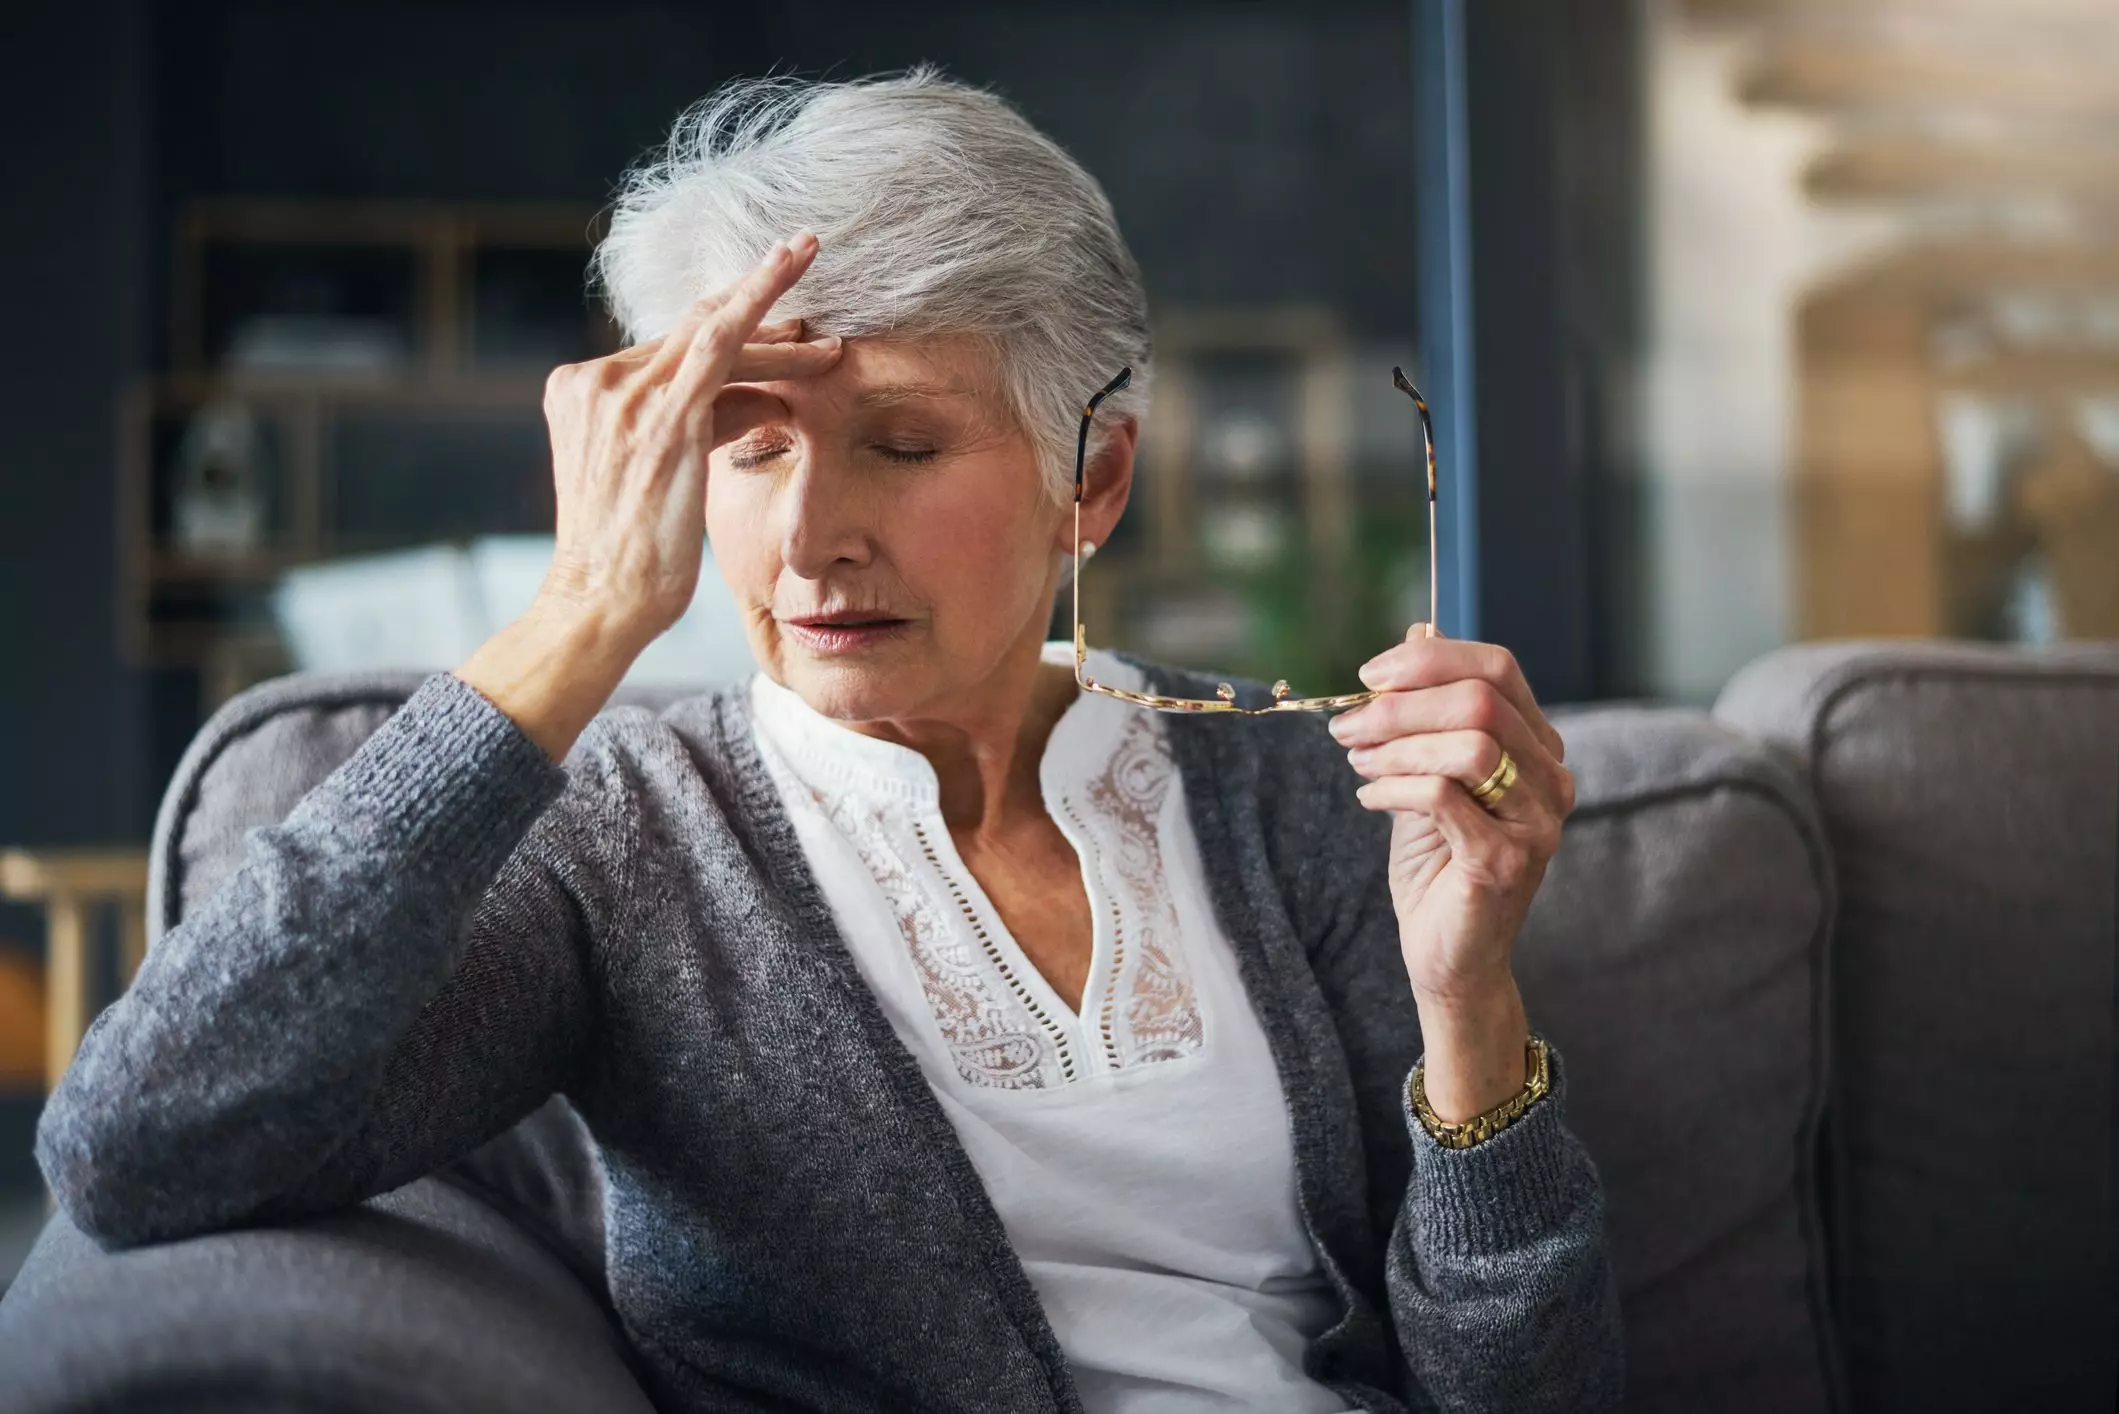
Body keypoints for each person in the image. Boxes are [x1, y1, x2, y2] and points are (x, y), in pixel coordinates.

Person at [37, 69, 1622, 1413]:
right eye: (745, 437)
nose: (809, 537)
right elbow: (141, 1143)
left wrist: (1467, 999)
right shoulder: (624, 843)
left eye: (904, 443)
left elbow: (1528, 1386)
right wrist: (577, 617)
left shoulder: (1287, 788)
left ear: (1098, 478)